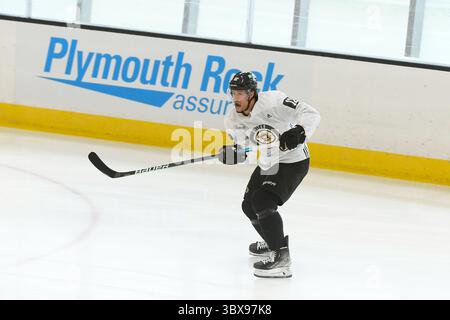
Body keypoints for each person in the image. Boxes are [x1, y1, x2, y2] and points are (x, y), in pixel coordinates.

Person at [218, 71, 320, 278]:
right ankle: (273, 241)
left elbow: (311, 114)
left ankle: (282, 259)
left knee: (262, 199)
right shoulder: (232, 119)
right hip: (269, 160)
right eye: (233, 93)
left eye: (240, 93)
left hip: (294, 161)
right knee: (248, 205)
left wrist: (299, 131)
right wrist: (236, 154)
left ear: (252, 93)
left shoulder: (274, 101)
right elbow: (247, 148)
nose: (235, 98)